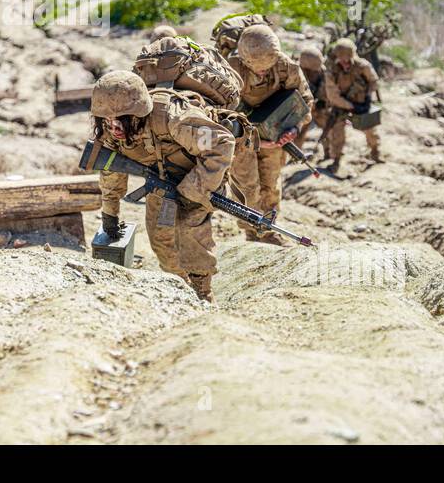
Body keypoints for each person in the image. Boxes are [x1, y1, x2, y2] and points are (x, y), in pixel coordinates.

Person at [90, 70, 234, 302]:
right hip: (161, 185)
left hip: (199, 180)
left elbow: (221, 145)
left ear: (138, 113)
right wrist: (110, 214)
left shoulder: (173, 117)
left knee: (189, 233)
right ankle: (181, 287)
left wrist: (191, 192)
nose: (113, 126)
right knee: (161, 241)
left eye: (121, 119)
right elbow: (112, 171)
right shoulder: (110, 129)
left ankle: (203, 292)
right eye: (105, 120)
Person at [223, 25, 312, 242]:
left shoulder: (286, 68)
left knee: (270, 186)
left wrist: (294, 129)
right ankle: (251, 233)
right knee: (246, 188)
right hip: (241, 140)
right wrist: (253, 140)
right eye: (257, 69)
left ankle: (270, 231)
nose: (263, 72)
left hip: (275, 138)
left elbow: (306, 102)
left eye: (267, 68)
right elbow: (217, 115)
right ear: (244, 60)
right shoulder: (229, 69)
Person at [323, 37, 382, 166]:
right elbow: (332, 95)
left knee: (370, 130)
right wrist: (350, 106)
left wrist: (367, 96)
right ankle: (336, 160)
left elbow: (374, 82)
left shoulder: (363, 66)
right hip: (341, 106)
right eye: (341, 59)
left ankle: (375, 153)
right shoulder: (331, 70)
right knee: (336, 133)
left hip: (361, 104)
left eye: (347, 59)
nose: (345, 63)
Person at [294, 45, 331, 154]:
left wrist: (322, 102)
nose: (317, 70)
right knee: (299, 132)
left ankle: (328, 153)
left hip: (319, 106)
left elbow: (327, 90)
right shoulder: (295, 72)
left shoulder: (322, 71)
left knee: (328, 128)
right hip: (302, 108)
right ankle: (296, 155)